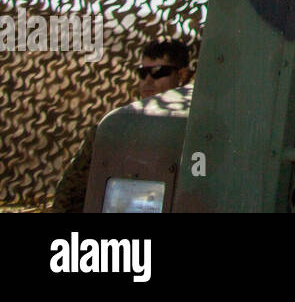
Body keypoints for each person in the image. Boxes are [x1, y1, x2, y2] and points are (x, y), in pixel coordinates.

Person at [48, 39, 194, 213]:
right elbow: (70, 192)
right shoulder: (117, 128)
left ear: (182, 75)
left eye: (158, 72)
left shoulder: (197, 129)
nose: (148, 80)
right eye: (143, 73)